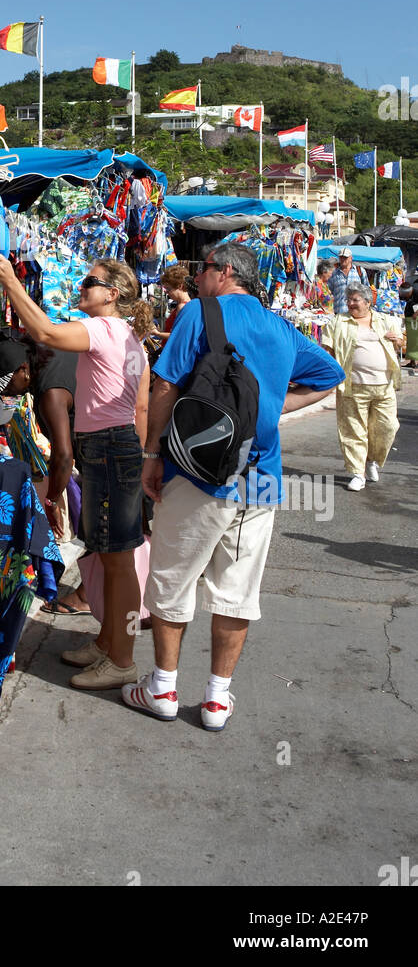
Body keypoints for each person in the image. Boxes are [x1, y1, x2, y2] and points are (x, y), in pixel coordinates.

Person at [127, 242, 344, 731]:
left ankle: (162, 688)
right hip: (260, 480)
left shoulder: (200, 314)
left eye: (203, 269)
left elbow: (165, 385)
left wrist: (153, 454)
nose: (198, 278)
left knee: (172, 578)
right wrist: (271, 410)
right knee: (237, 591)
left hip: (197, 474)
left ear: (223, 272)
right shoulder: (281, 327)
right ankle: (217, 701)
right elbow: (331, 375)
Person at [0, 253, 151, 690]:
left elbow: (44, 332)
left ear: (112, 294)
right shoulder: (129, 336)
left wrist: (10, 282)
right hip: (116, 446)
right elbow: (140, 405)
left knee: (118, 563)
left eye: (90, 282)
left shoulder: (102, 328)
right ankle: (109, 643)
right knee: (112, 557)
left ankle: (123, 659)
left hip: (108, 448)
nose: (81, 287)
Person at [0, 336, 79, 545]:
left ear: (24, 369)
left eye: (8, 385)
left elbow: (63, 456)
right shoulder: (47, 354)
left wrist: (52, 500)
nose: (6, 392)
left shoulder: (50, 394)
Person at [323, 284, 404, 490]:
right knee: (353, 430)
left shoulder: (386, 320)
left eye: (355, 300)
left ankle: (372, 460)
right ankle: (357, 473)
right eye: (349, 300)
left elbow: (403, 342)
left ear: (368, 303)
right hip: (352, 386)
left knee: (387, 427)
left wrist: (398, 340)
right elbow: (327, 350)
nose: (350, 304)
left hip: (384, 386)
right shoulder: (338, 322)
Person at [150, 265, 193, 342]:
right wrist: (159, 331)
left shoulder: (182, 306)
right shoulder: (187, 304)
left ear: (180, 286)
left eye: (168, 289)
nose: (166, 292)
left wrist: (157, 333)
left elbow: (178, 336)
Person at [328, 248, 366, 315]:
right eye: (341, 257)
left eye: (345, 257)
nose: (342, 260)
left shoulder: (359, 271)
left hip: (356, 312)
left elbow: (366, 289)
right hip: (339, 312)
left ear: (351, 258)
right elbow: (329, 291)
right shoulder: (333, 273)